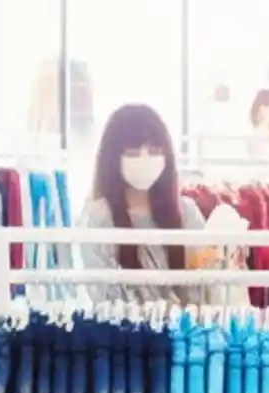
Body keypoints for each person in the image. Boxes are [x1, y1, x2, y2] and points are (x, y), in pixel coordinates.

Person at [79, 104, 215, 305]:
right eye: (133, 153)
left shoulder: (186, 212)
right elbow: (105, 296)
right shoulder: (98, 217)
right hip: (127, 333)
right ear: (113, 159)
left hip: (185, 332)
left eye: (154, 151)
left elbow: (203, 288)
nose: (145, 160)